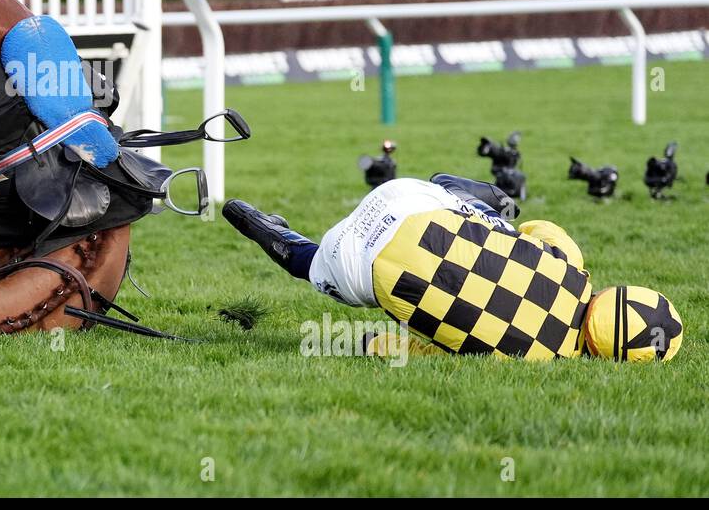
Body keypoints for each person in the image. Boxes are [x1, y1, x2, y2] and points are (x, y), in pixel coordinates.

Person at [223, 175, 683, 361]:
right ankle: (278, 236)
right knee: (311, 270)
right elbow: (404, 348)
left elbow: (541, 227)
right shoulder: (531, 361)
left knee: (505, 220)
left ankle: (456, 185)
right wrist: (363, 343)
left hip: (408, 198)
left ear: (619, 291)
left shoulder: (572, 266)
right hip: (356, 263)